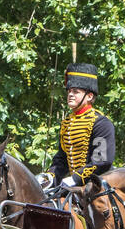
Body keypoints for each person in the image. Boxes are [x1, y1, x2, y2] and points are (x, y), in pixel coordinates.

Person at [45, 63, 115, 195]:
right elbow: (61, 159)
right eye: (69, 91)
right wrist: (50, 177)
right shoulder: (66, 123)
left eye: (76, 91)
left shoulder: (101, 123)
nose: (70, 94)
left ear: (89, 96)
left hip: (97, 185)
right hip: (71, 186)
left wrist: (75, 178)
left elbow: (102, 161)